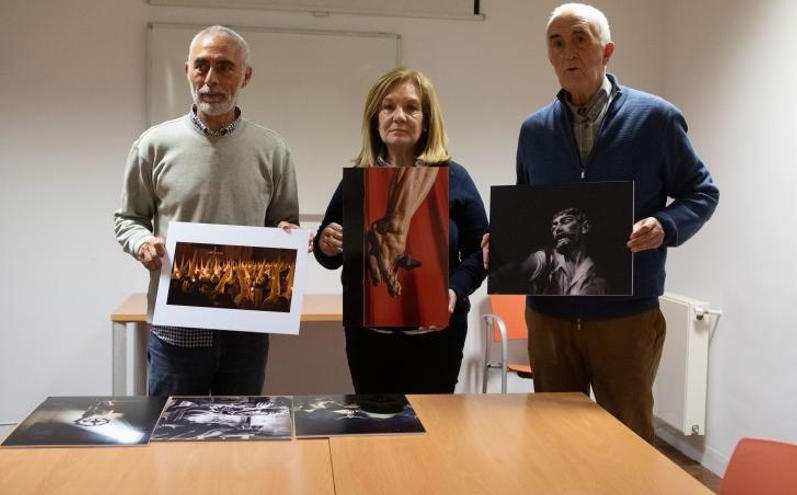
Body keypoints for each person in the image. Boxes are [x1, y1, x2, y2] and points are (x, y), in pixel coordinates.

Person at [483, 3, 719, 443]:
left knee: (626, 439)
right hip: (550, 319)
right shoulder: (534, 130)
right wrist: (503, 240)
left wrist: (665, 225)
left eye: (580, 39)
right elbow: (529, 209)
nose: (568, 51)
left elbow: (702, 192)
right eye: (557, 43)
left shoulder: (655, 119)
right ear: (549, 56)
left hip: (625, 315)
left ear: (607, 51)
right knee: (554, 439)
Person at [114, 25, 299, 397]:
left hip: (246, 330)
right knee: (171, 428)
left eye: (225, 67)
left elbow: (284, 221)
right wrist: (142, 244)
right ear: (187, 71)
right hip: (176, 331)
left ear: (245, 75)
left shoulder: (272, 150)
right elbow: (129, 219)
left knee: (241, 428)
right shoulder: (154, 144)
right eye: (201, 66)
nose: (211, 79)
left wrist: (288, 236)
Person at [314, 67, 488, 394]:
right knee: (373, 420)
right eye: (388, 107)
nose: (399, 116)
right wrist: (327, 244)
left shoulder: (454, 178)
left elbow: (481, 252)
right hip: (369, 338)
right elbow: (330, 254)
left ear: (426, 120)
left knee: (432, 422)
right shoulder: (358, 179)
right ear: (375, 118)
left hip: (437, 337)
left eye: (411, 107)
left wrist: (454, 290)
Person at [491, 206, 607, 295]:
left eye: (565, 221)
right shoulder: (547, 257)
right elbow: (519, 270)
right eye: (554, 225)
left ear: (585, 227)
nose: (557, 229)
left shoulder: (599, 273)